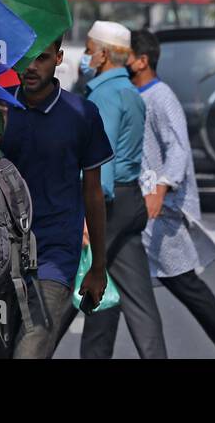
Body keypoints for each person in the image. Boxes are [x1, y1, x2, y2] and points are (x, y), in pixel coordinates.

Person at [126, 29, 215, 359]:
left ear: (142, 61)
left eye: (123, 53)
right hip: (136, 209)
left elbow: (178, 150)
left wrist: (160, 189)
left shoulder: (161, 97)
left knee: (185, 284)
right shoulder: (132, 95)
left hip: (160, 213)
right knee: (116, 289)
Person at [53, 21, 168, 358]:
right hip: (129, 200)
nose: (86, 57)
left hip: (107, 205)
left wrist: (89, 219)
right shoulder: (131, 92)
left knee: (61, 295)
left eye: (88, 50)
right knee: (138, 304)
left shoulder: (102, 96)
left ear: (103, 55)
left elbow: (100, 162)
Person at [0, 39, 113, 358]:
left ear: (58, 59)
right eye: (26, 58)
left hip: (56, 254)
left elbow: (93, 192)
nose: (32, 67)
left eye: (42, 58)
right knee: (3, 353)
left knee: (30, 352)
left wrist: (98, 266)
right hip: (3, 254)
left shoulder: (81, 114)